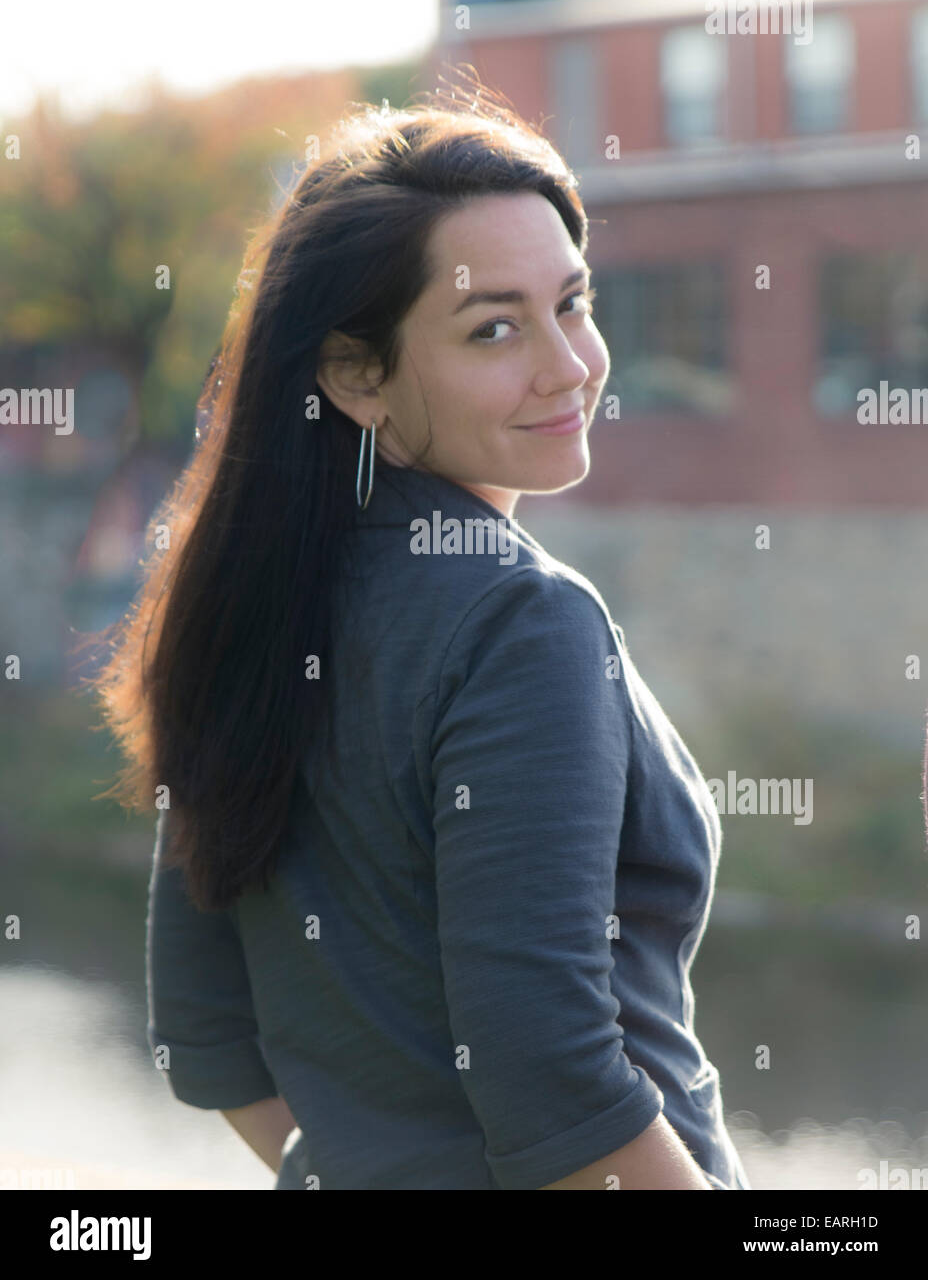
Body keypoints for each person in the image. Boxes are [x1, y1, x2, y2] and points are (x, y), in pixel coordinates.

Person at [90, 78, 751, 1190]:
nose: (570, 364)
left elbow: (206, 1034)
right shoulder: (521, 622)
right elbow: (554, 1083)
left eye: (572, 303)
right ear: (356, 375)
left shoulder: (251, 600)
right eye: (494, 327)